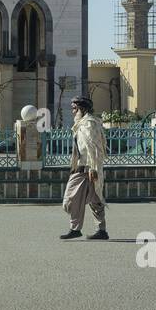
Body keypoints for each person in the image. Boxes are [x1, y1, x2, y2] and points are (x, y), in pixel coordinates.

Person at [62, 96, 108, 240]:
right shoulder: (82, 123)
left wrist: (93, 168)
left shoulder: (89, 124)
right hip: (81, 167)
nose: (73, 111)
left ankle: (101, 231)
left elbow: (94, 147)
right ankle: (76, 228)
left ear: (82, 109)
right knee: (71, 200)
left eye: (75, 108)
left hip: (88, 169)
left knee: (95, 200)